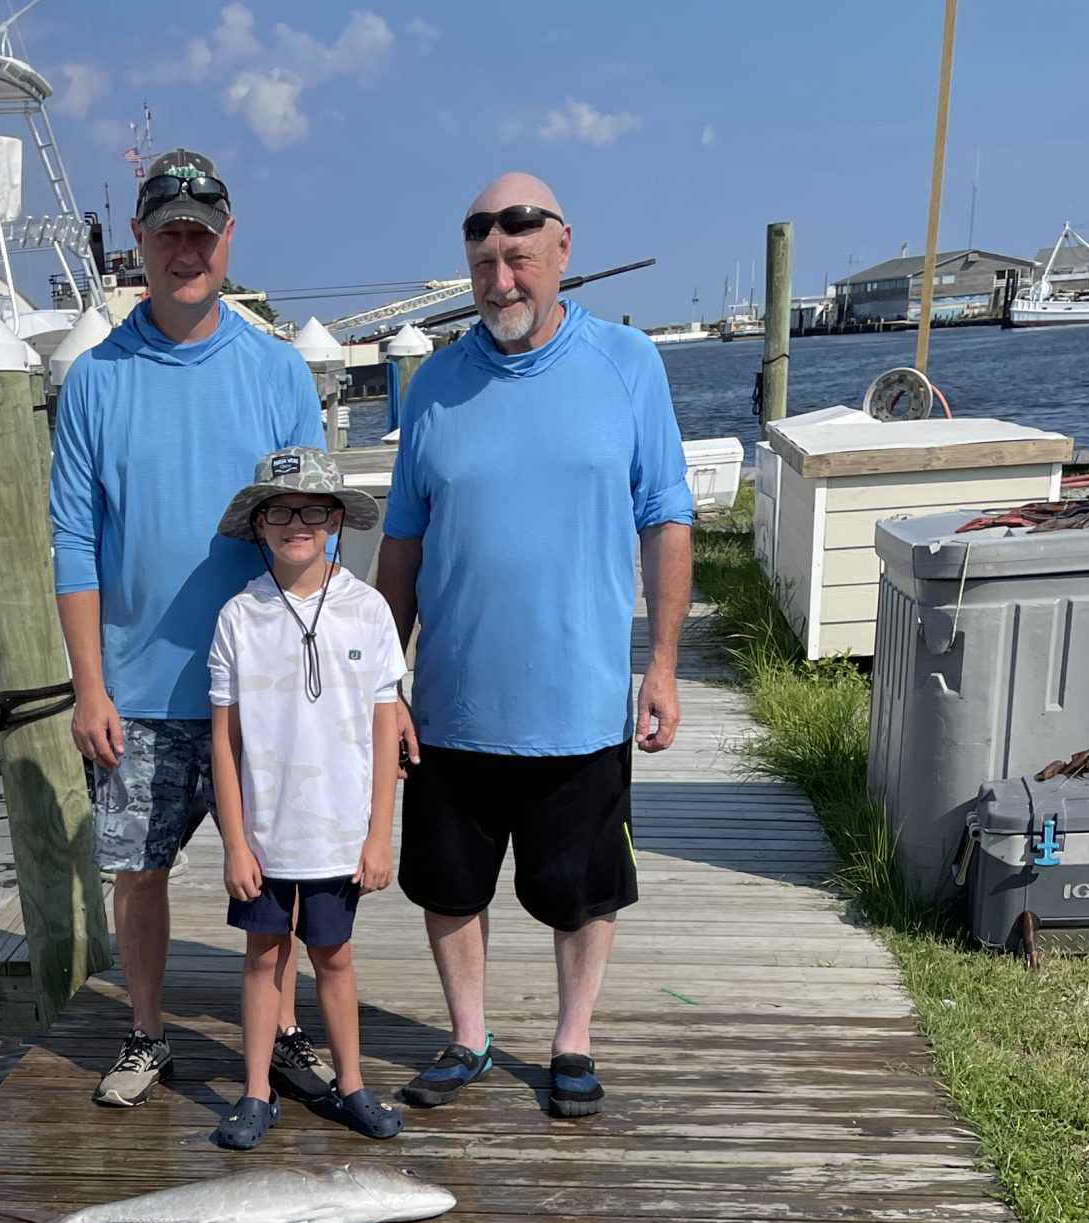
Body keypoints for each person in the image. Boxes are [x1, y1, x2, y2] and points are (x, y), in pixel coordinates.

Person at [375, 170, 693, 1118]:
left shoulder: (629, 364)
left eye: (517, 258)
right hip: (454, 706)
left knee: (582, 890)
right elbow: (401, 542)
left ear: (562, 250)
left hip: (583, 701)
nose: (500, 279)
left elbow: (667, 517)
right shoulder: (433, 385)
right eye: (483, 264)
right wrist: (387, 680)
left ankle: (572, 1040)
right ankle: (468, 1036)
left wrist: (666, 664)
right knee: (448, 887)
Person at [49, 148, 327, 1111]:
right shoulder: (93, 379)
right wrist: (89, 685)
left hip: (261, 688)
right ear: (138, 241)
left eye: (199, 234)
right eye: (166, 232)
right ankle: (148, 1031)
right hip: (139, 687)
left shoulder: (279, 368)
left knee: (280, 874)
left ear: (227, 241)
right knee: (140, 872)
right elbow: (74, 541)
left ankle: (285, 1032)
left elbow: (313, 529)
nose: (184, 250)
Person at [207, 449, 406, 1150]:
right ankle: (256, 1092)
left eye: (315, 510)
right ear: (259, 524)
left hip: (340, 831)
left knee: (335, 956)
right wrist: (235, 841)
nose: (299, 523)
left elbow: (386, 733)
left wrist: (380, 835)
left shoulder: (369, 609)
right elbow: (224, 742)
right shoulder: (238, 616)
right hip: (264, 832)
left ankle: (351, 1084)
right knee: (265, 955)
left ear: (337, 522)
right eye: (282, 510)